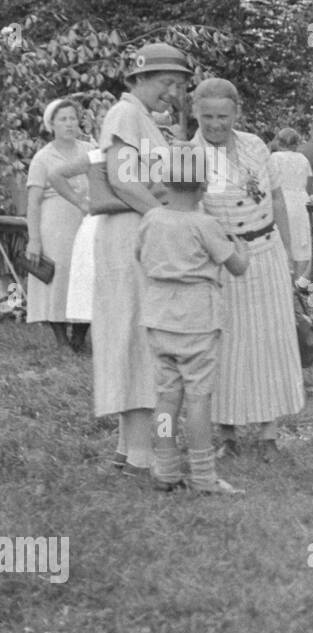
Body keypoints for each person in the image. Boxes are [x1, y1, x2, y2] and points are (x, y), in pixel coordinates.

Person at [192, 78, 305, 461]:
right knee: (227, 345)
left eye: (223, 116)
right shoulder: (185, 154)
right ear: (196, 114)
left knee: (269, 341)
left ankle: (269, 431)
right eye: (207, 116)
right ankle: (227, 432)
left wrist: (290, 251)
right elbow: (188, 216)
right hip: (221, 258)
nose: (215, 124)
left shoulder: (255, 145)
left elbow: (275, 198)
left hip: (265, 250)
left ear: (236, 113)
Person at [88, 42, 184, 477]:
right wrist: (163, 219)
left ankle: (129, 450)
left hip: (135, 232)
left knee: (134, 334)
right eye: (166, 82)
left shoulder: (140, 118)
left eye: (177, 85)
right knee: (138, 335)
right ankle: (143, 454)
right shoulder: (126, 115)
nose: (172, 92)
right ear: (140, 79)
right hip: (130, 234)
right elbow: (123, 181)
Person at [137, 150, 250, 495]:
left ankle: (166, 469)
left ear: (165, 183)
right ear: (203, 187)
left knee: (167, 398)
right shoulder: (205, 224)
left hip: (158, 318)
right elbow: (236, 266)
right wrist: (241, 247)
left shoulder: (151, 218)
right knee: (199, 400)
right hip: (198, 320)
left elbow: (139, 256)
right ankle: (203, 476)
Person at [24, 98, 89, 349]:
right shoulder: (43, 158)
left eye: (73, 118)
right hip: (54, 226)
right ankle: (62, 339)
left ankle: (80, 337)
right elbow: (33, 202)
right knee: (58, 278)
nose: (69, 124)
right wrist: (34, 239)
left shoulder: (88, 150)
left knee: (83, 276)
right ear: (51, 124)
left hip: (84, 221)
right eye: (63, 119)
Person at [270, 127, 312, 279]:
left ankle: (284, 278)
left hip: (282, 199)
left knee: (283, 237)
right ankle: (299, 280)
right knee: (301, 240)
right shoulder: (303, 159)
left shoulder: (274, 158)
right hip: (301, 201)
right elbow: (307, 182)